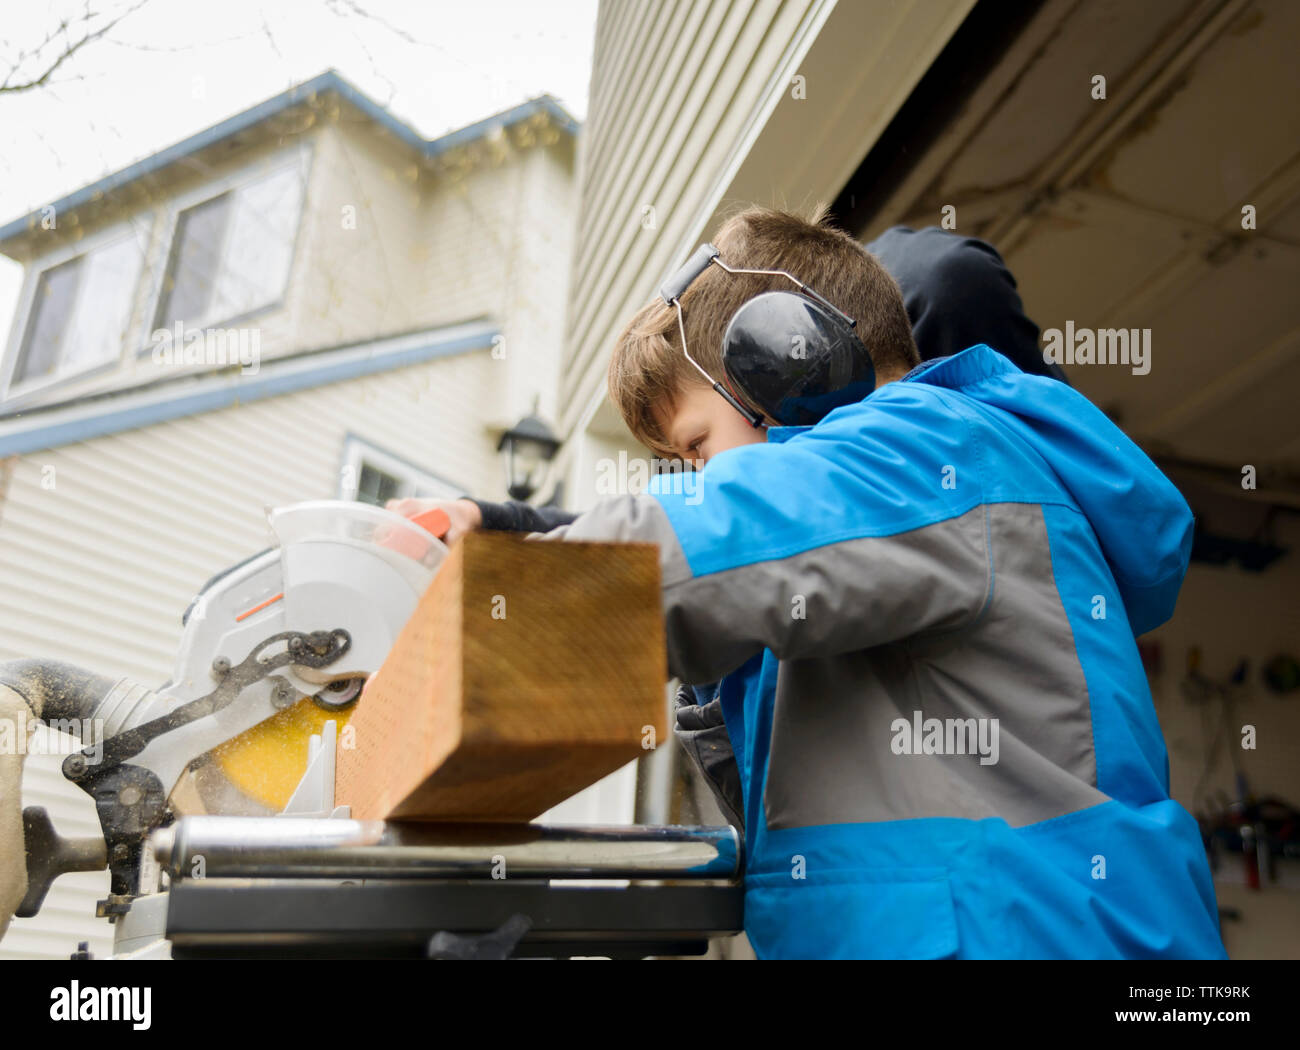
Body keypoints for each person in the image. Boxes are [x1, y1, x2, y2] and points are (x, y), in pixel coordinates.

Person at [390, 205, 1226, 959]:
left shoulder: (929, 450)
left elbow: (681, 552)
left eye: (695, 449)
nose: (692, 481)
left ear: (787, 369)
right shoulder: (873, 529)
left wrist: (427, 659)